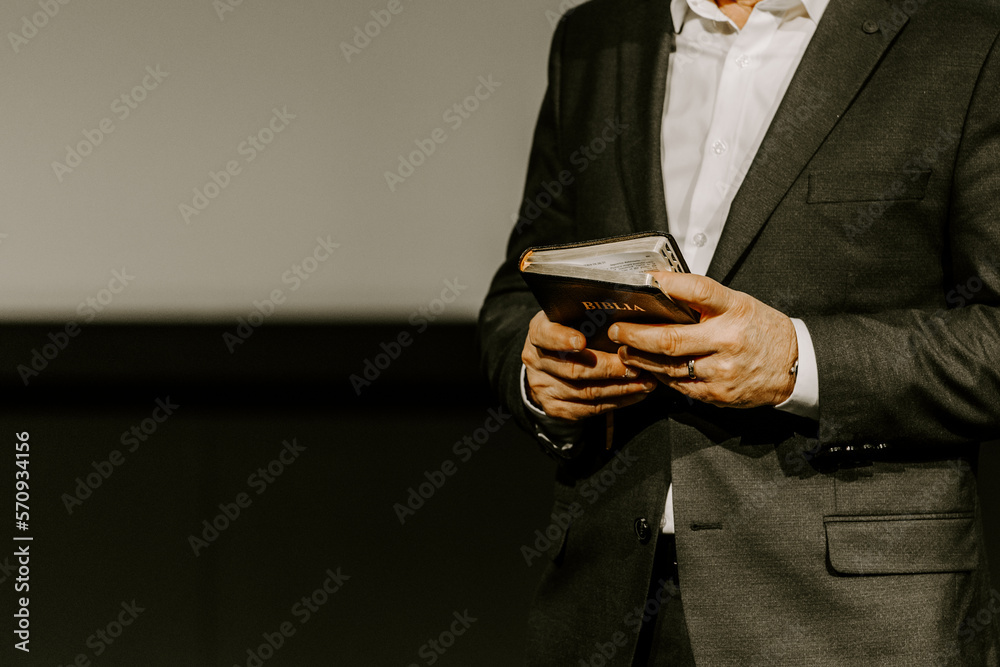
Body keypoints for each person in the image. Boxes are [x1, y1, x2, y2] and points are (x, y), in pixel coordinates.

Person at [477, 0, 1000, 663]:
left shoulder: (968, 38)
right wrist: (536, 373)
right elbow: (521, 281)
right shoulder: (596, 35)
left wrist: (797, 362)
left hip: (855, 622)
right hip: (609, 609)